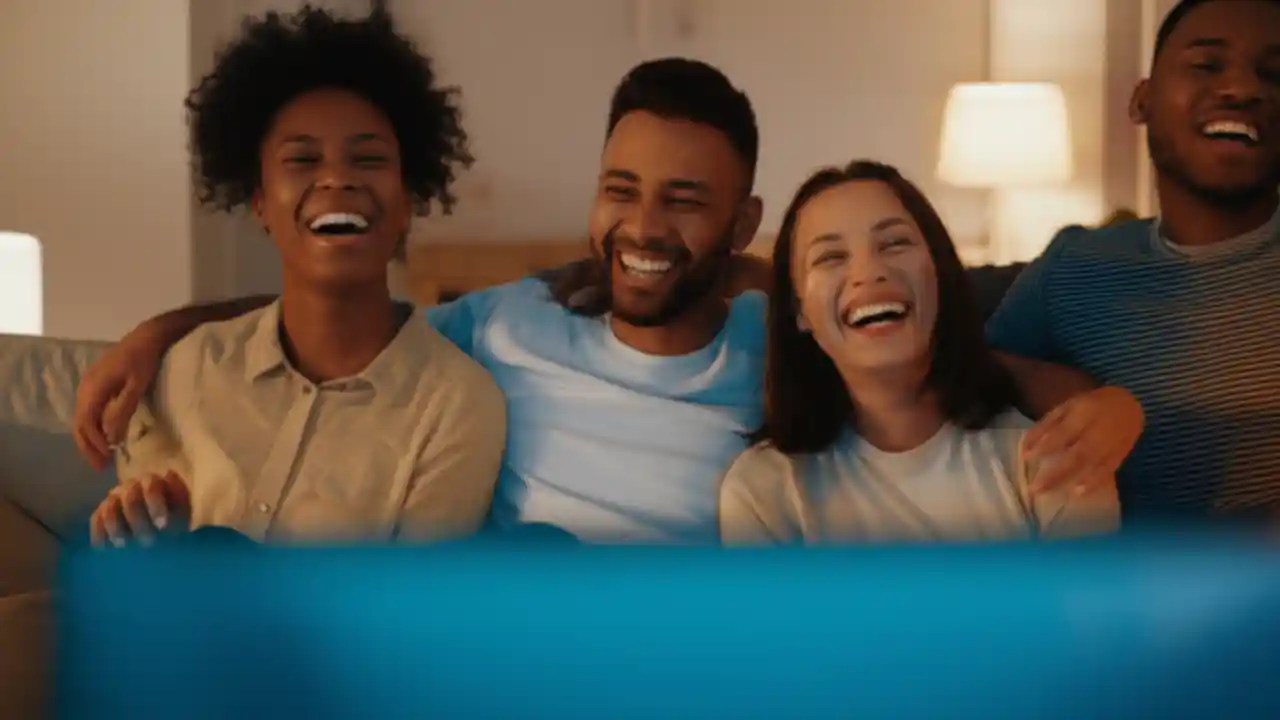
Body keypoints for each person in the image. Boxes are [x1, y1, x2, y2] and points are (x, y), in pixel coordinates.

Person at [75, 57, 1141, 545]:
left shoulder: (785, 339)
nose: (642, 226)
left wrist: (1109, 404)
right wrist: (163, 329)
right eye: (620, 189)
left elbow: (940, 363)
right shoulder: (501, 324)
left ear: (742, 223)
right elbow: (346, 313)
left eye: (685, 201)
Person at [87, 6, 504, 548]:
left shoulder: (458, 404)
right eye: (303, 160)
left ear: (407, 201)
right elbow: (141, 565)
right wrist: (137, 534)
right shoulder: (186, 370)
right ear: (260, 201)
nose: (337, 178)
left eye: (368, 159)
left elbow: (408, 599)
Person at [987, 0, 1280, 523]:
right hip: (1111, 569)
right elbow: (956, 373)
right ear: (1142, 100)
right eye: (1206, 65)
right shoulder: (1073, 265)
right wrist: (1079, 396)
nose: (1242, 89)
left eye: (1274, 75)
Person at [719, 161, 1120, 544]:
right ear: (800, 311)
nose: (868, 272)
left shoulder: (1056, 460)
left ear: (939, 275)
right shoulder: (763, 490)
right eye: (830, 257)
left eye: (895, 243)